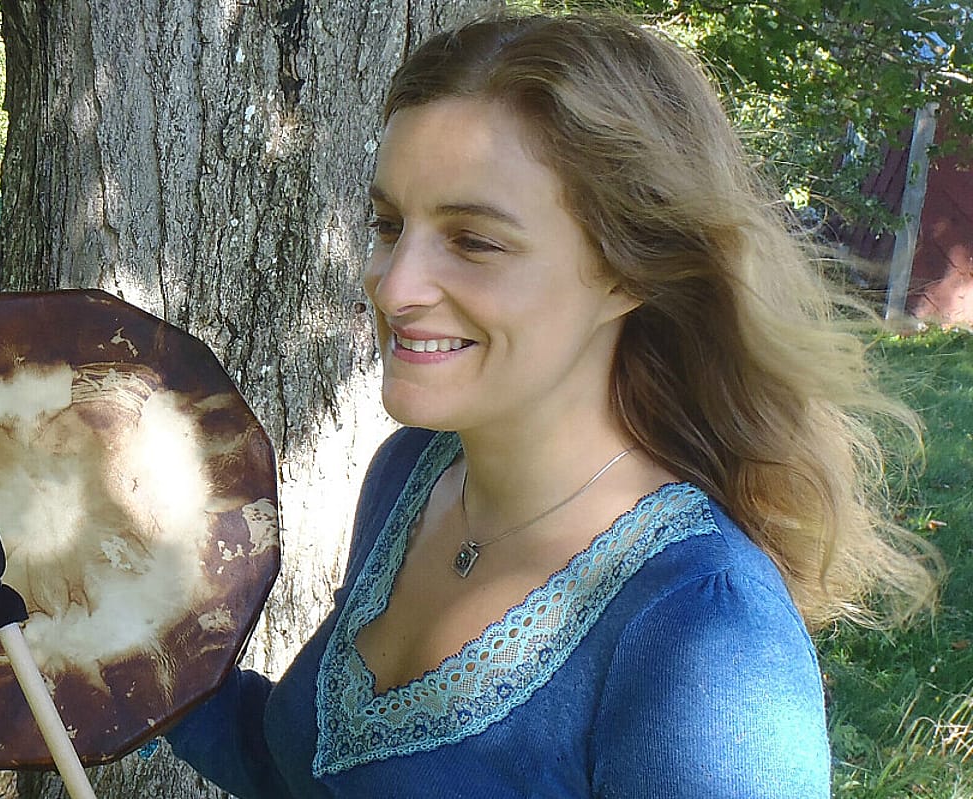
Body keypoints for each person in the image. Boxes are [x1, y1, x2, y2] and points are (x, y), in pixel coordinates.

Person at [165, 11, 938, 797]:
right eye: (389, 224)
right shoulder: (412, 475)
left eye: (474, 240)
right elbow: (310, 771)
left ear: (628, 271)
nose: (393, 285)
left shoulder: (706, 633)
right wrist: (120, 646)